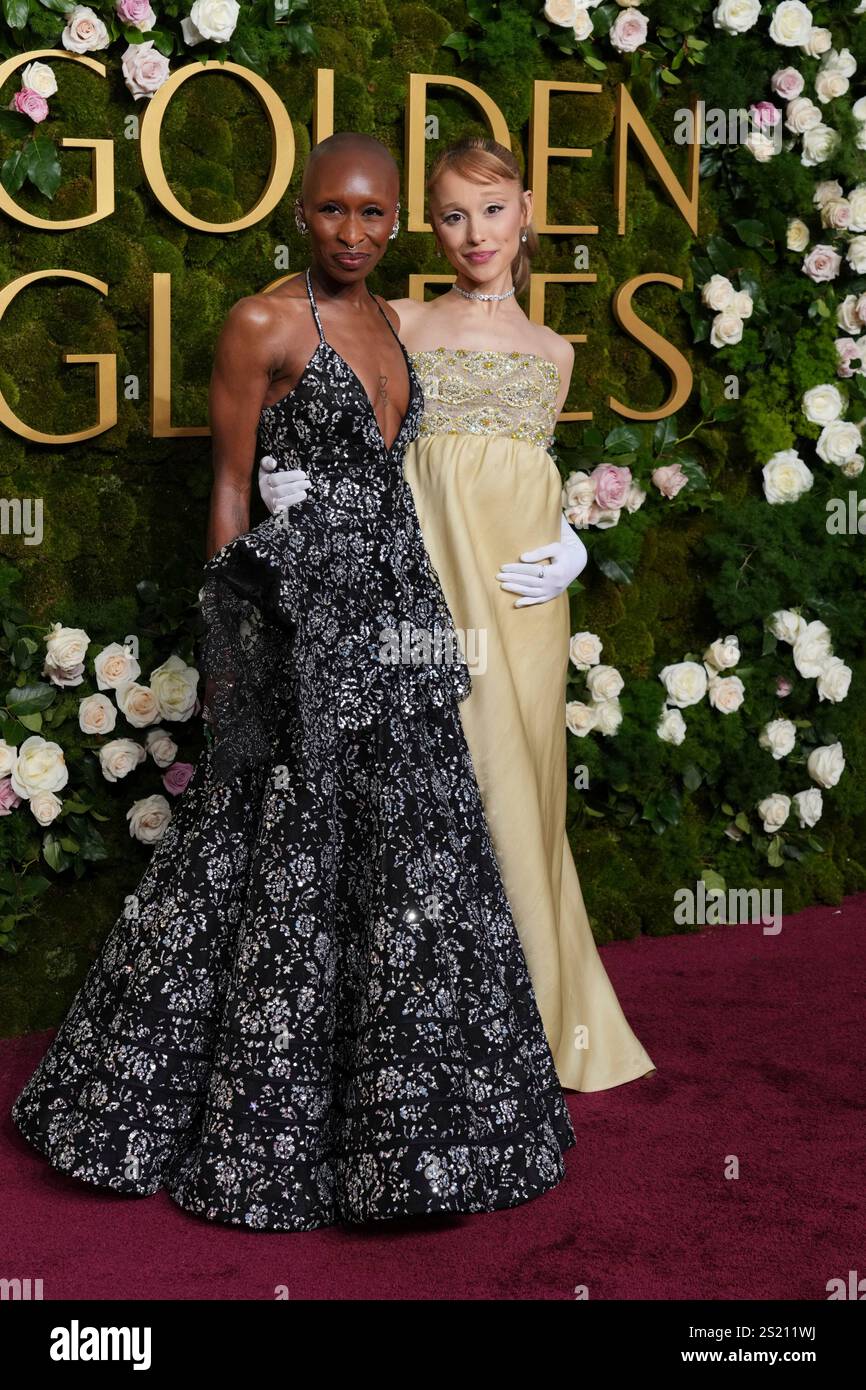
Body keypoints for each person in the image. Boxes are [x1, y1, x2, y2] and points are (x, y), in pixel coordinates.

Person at [10, 133, 575, 1233]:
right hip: (301, 620)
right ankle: (224, 1114)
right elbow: (228, 488)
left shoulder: (396, 326)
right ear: (301, 213)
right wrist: (234, 659)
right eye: (332, 211)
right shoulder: (262, 324)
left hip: (401, 615)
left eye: (374, 214)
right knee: (273, 848)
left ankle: (416, 1140)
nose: (352, 233)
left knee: (416, 862)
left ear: (397, 221)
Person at [259, 137, 655, 1095]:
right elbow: (310, 387)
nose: (475, 233)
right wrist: (284, 481)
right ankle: (426, 1036)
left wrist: (574, 542)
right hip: (422, 600)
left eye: (492, 209)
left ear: (526, 211)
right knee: (439, 795)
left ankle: (535, 1026)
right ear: (427, 229)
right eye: (451, 215)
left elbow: (521, 474)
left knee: (527, 798)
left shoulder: (556, 355)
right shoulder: (397, 321)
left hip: (527, 604)